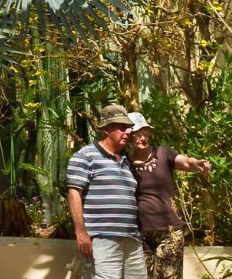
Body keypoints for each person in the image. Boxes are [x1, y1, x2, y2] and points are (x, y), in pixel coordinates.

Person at [125, 112, 212, 279]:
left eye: (145, 132)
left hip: (169, 231)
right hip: (140, 233)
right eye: (137, 134)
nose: (143, 137)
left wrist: (196, 163)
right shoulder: (125, 162)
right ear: (129, 137)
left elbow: (186, 162)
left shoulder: (164, 153)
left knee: (169, 277)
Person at [66, 103, 145, 279]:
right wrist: (81, 232)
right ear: (107, 129)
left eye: (130, 128)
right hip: (102, 238)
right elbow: (74, 193)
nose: (128, 132)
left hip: (131, 238)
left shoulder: (126, 160)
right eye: (122, 127)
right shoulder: (85, 155)